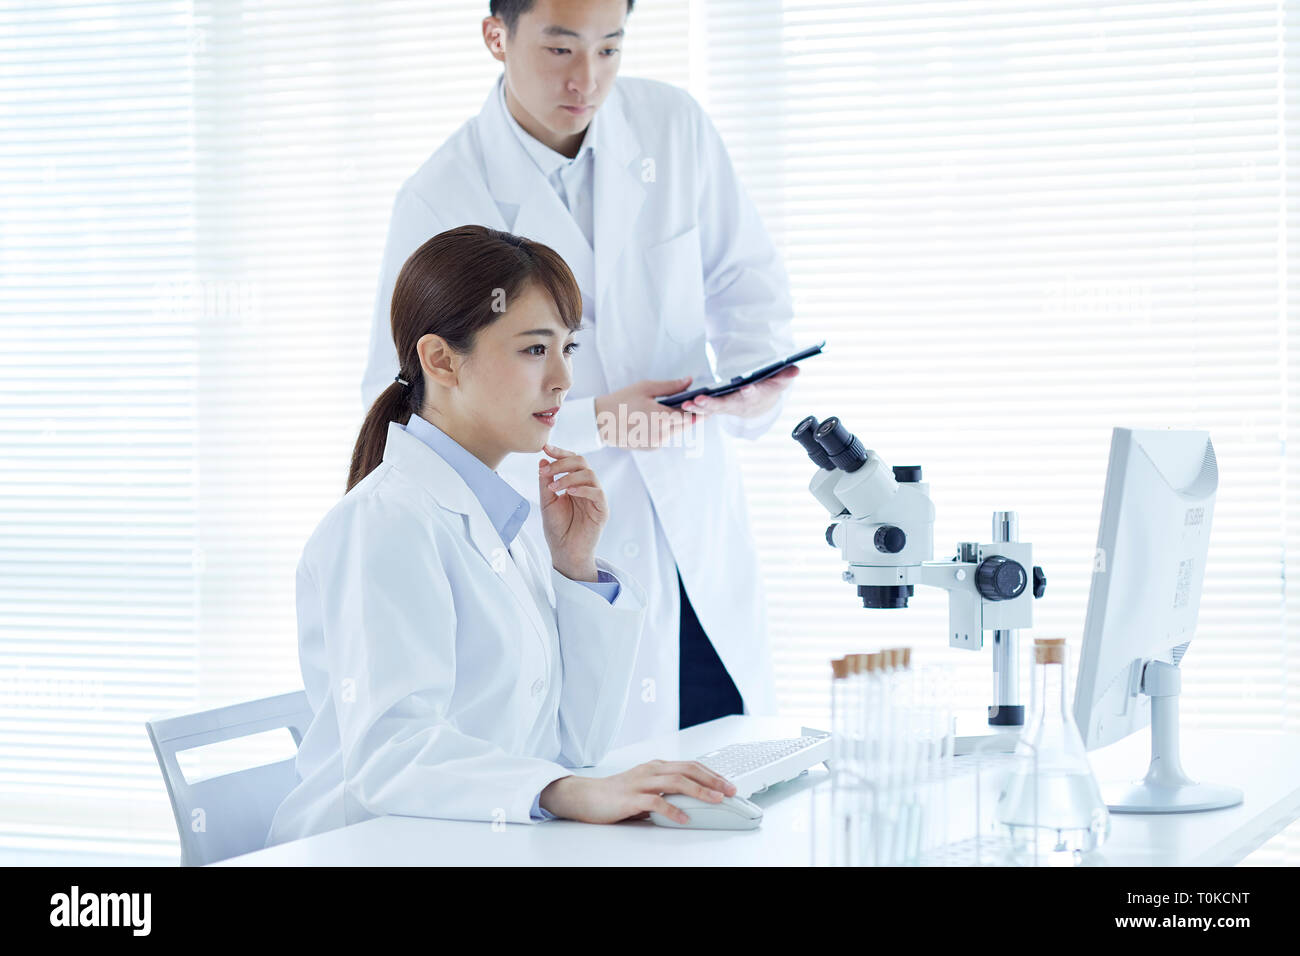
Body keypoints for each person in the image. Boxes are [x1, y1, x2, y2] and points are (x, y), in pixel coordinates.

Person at [362, 0, 799, 747]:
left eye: (609, 48)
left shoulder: (672, 127)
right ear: (496, 36)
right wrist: (600, 418)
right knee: (604, 776)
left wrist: (751, 378)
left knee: (731, 765)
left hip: (693, 528)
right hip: (560, 539)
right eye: (560, 49)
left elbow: (748, 285)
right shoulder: (441, 196)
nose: (587, 79)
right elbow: (418, 403)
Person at [266, 226, 736, 845]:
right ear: (440, 359)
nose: (565, 378)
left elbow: (579, 744)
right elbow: (392, 753)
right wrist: (566, 792)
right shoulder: (386, 522)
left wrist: (577, 571)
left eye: (568, 347)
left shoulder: (500, 520)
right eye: (535, 350)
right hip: (371, 847)